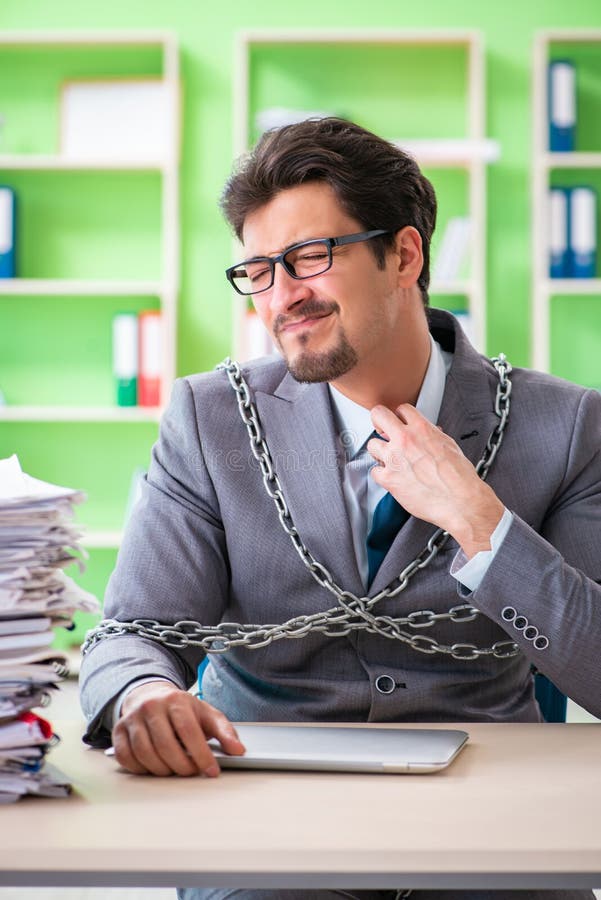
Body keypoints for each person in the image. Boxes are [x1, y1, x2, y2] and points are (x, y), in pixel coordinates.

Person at [79, 117, 601, 900]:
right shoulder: (208, 420)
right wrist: (146, 695)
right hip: (263, 816)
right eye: (259, 270)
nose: (284, 295)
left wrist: (480, 523)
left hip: (491, 820)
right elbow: (130, 634)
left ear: (404, 254)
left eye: (309, 257)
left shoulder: (560, 428)